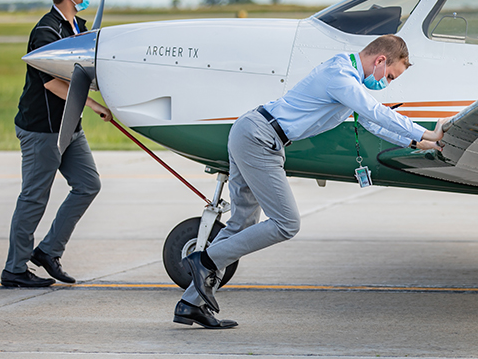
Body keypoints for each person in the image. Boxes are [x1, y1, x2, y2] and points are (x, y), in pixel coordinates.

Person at [173, 34, 449, 329]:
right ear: (380, 60)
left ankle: (190, 304)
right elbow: (375, 111)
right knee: (286, 224)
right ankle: (205, 260)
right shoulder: (339, 75)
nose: (387, 83)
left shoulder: (348, 80)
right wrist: (426, 132)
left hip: (253, 133)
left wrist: (422, 143)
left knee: (241, 226)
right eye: (390, 76)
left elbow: (372, 123)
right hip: (259, 137)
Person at [1, 0, 113, 288]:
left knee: (88, 184)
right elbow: (52, 82)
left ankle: (49, 251)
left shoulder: (78, 27)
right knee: (34, 197)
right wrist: (94, 106)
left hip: (68, 126)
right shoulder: (46, 31)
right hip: (42, 130)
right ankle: (15, 269)